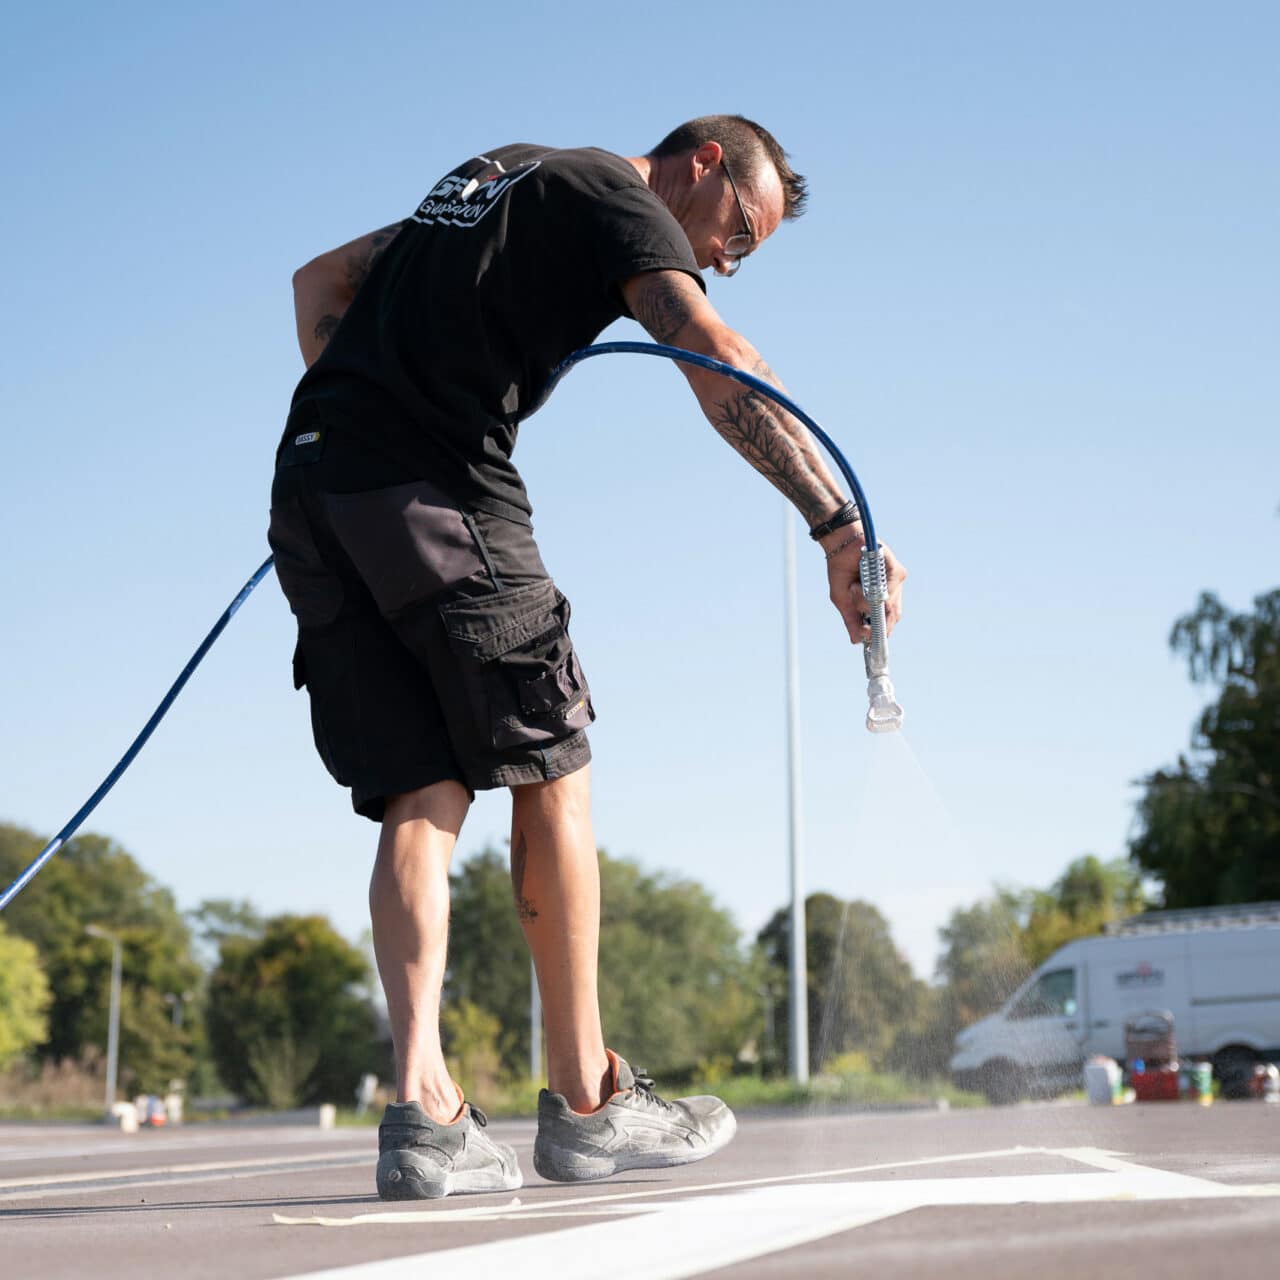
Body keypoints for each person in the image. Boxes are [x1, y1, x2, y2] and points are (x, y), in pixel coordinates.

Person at [269, 114, 906, 1201]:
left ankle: (422, 1113)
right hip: (438, 491)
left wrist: (369, 413)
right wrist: (840, 528)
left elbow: (318, 280)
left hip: (316, 484)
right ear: (700, 164)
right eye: (735, 233)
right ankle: (588, 1100)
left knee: (419, 793)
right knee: (552, 768)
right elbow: (716, 357)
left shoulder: (500, 174)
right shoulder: (616, 196)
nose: (720, 260)